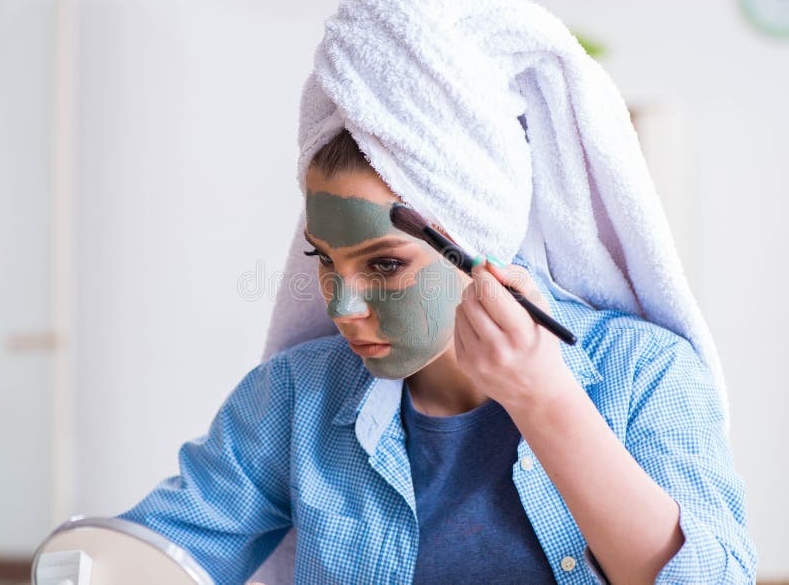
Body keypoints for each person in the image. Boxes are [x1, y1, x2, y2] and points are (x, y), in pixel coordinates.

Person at [117, 127, 757, 584]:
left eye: (386, 264)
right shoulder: (292, 398)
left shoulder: (646, 372)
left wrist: (547, 400)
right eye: (324, 260)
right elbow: (154, 555)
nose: (342, 307)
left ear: (484, 245)